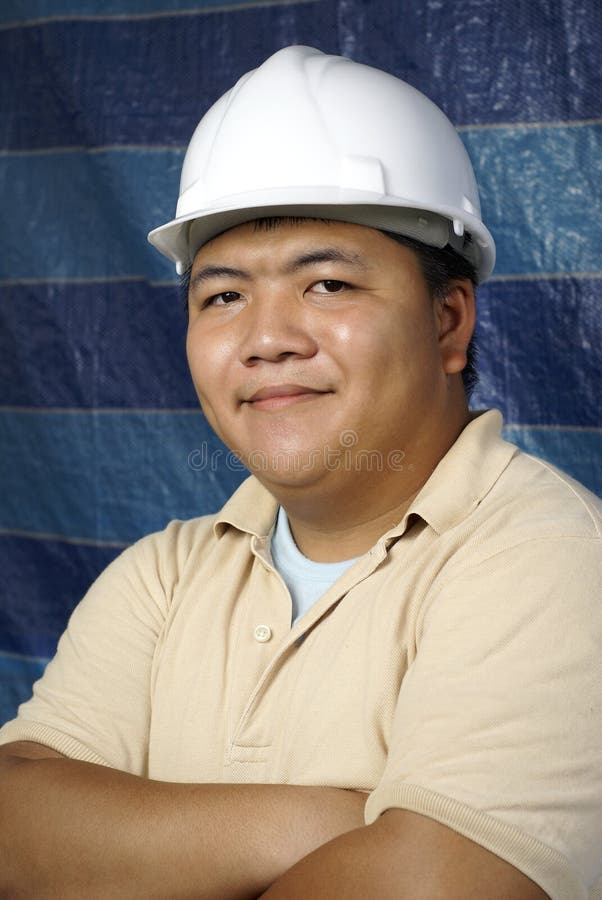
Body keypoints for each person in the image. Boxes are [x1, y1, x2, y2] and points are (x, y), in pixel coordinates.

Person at [0, 45, 600, 900]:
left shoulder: (550, 558)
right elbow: (13, 825)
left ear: (448, 321)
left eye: (326, 285)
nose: (268, 337)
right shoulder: (164, 578)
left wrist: (130, 848)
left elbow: (431, 883)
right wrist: (330, 819)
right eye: (223, 296)